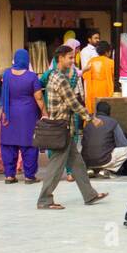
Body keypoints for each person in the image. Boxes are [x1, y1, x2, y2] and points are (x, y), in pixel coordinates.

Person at [36, 44, 109, 211]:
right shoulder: (61, 79)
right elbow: (73, 103)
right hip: (62, 128)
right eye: (69, 57)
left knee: (77, 163)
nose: (72, 61)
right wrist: (91, 118)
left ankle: (89, 194)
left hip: (63, 128)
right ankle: (44, 200)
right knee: (56, 167)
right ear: (60, 58)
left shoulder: (55, 76)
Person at [0, 49, 44, 185]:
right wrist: (45, 114)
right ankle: (29, 177)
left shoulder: (6, 74)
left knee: (8, 144)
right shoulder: (32, 76)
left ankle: (9, 176)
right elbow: (39, 97)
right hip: (27, 115)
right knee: (28, 144)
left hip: (8, 114)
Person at [82, 100, 127, 177]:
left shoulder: (88, 123)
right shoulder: (113, 122)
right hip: (104, 160)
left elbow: (83, 143)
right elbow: (123, 143)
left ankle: (91, 169)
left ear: (96, 111)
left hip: (87, 161)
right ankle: (107, 169)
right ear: (109, 112)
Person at [83, 42, 114, 121]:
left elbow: (85, 76)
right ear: (107, 52)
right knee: (104, 112)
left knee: (92, 112)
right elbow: (114, 76)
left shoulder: (91, 61)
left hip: (92, 90)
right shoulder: (110, 62)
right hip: (105, 91)